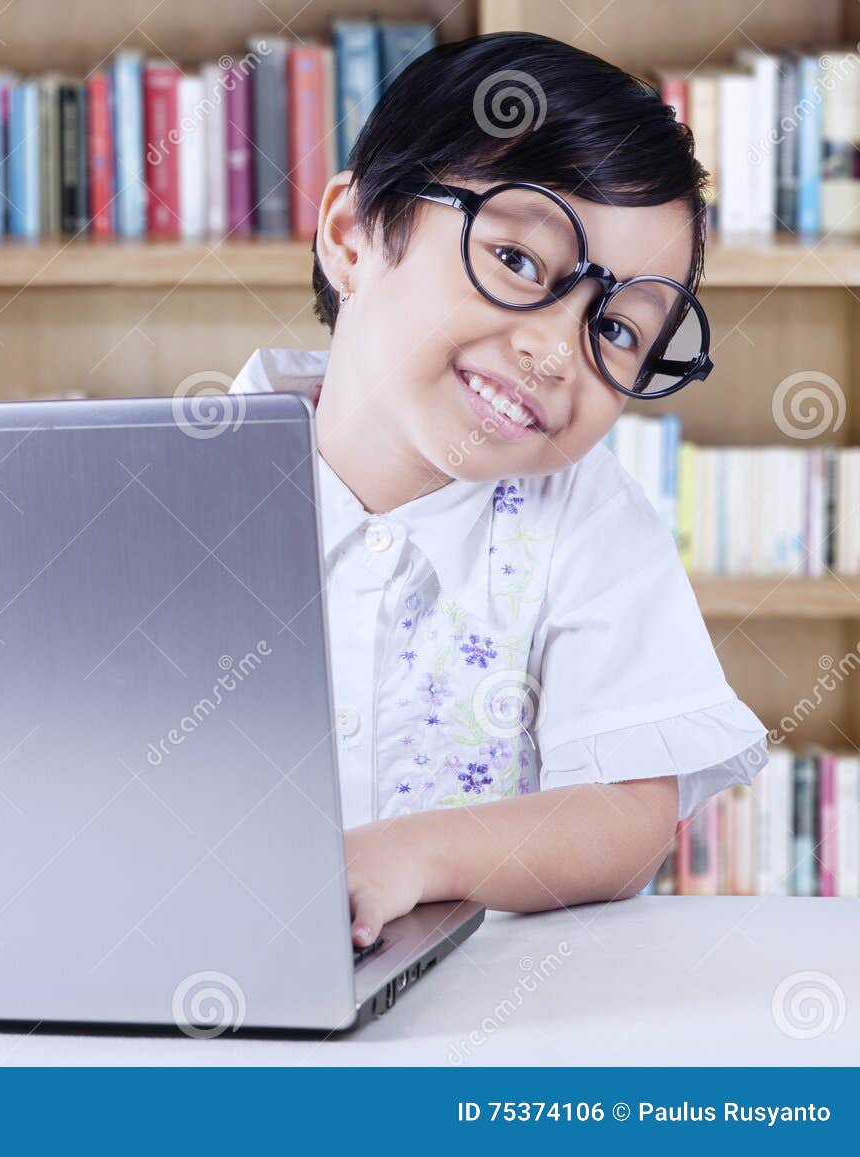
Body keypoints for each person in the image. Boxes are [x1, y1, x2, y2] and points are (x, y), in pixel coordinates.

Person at [229, 31, 767, 948]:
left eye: (618, 329)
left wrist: (408, 856)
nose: (556, 352)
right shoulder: (174, 486)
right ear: (352, 238)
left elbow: (627, 820)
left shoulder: (589, 522)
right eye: (518, 261)